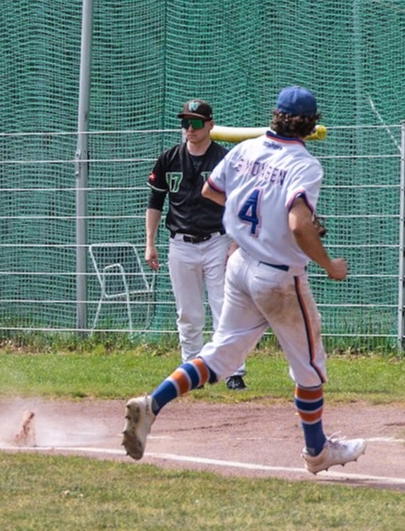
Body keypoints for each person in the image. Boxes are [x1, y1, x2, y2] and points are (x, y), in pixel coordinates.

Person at [122, 86, 366, 474]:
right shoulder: (305, 164)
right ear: (310, 125)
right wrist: (329, 264)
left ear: (276, 116)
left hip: (239, 264)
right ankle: (317, 451)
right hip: (279, 276)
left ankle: (153, 404)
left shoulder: (246, 149)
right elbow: (298, 225)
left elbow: (211, 191)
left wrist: (263, 215)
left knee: (219, 354)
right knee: (310, 368)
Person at [145, 99, 247, 390]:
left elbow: (238, 202)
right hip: (181, 243)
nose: (190, 128)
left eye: (197, 122)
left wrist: (236, 242)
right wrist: (150, 242)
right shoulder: (169, 158)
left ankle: (233, 371)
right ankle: (192, 370)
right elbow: (155, 201)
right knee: (188, 313)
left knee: (224, 307)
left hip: (218, 240)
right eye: (185, 122)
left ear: (211, 125)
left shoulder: (224, 159)